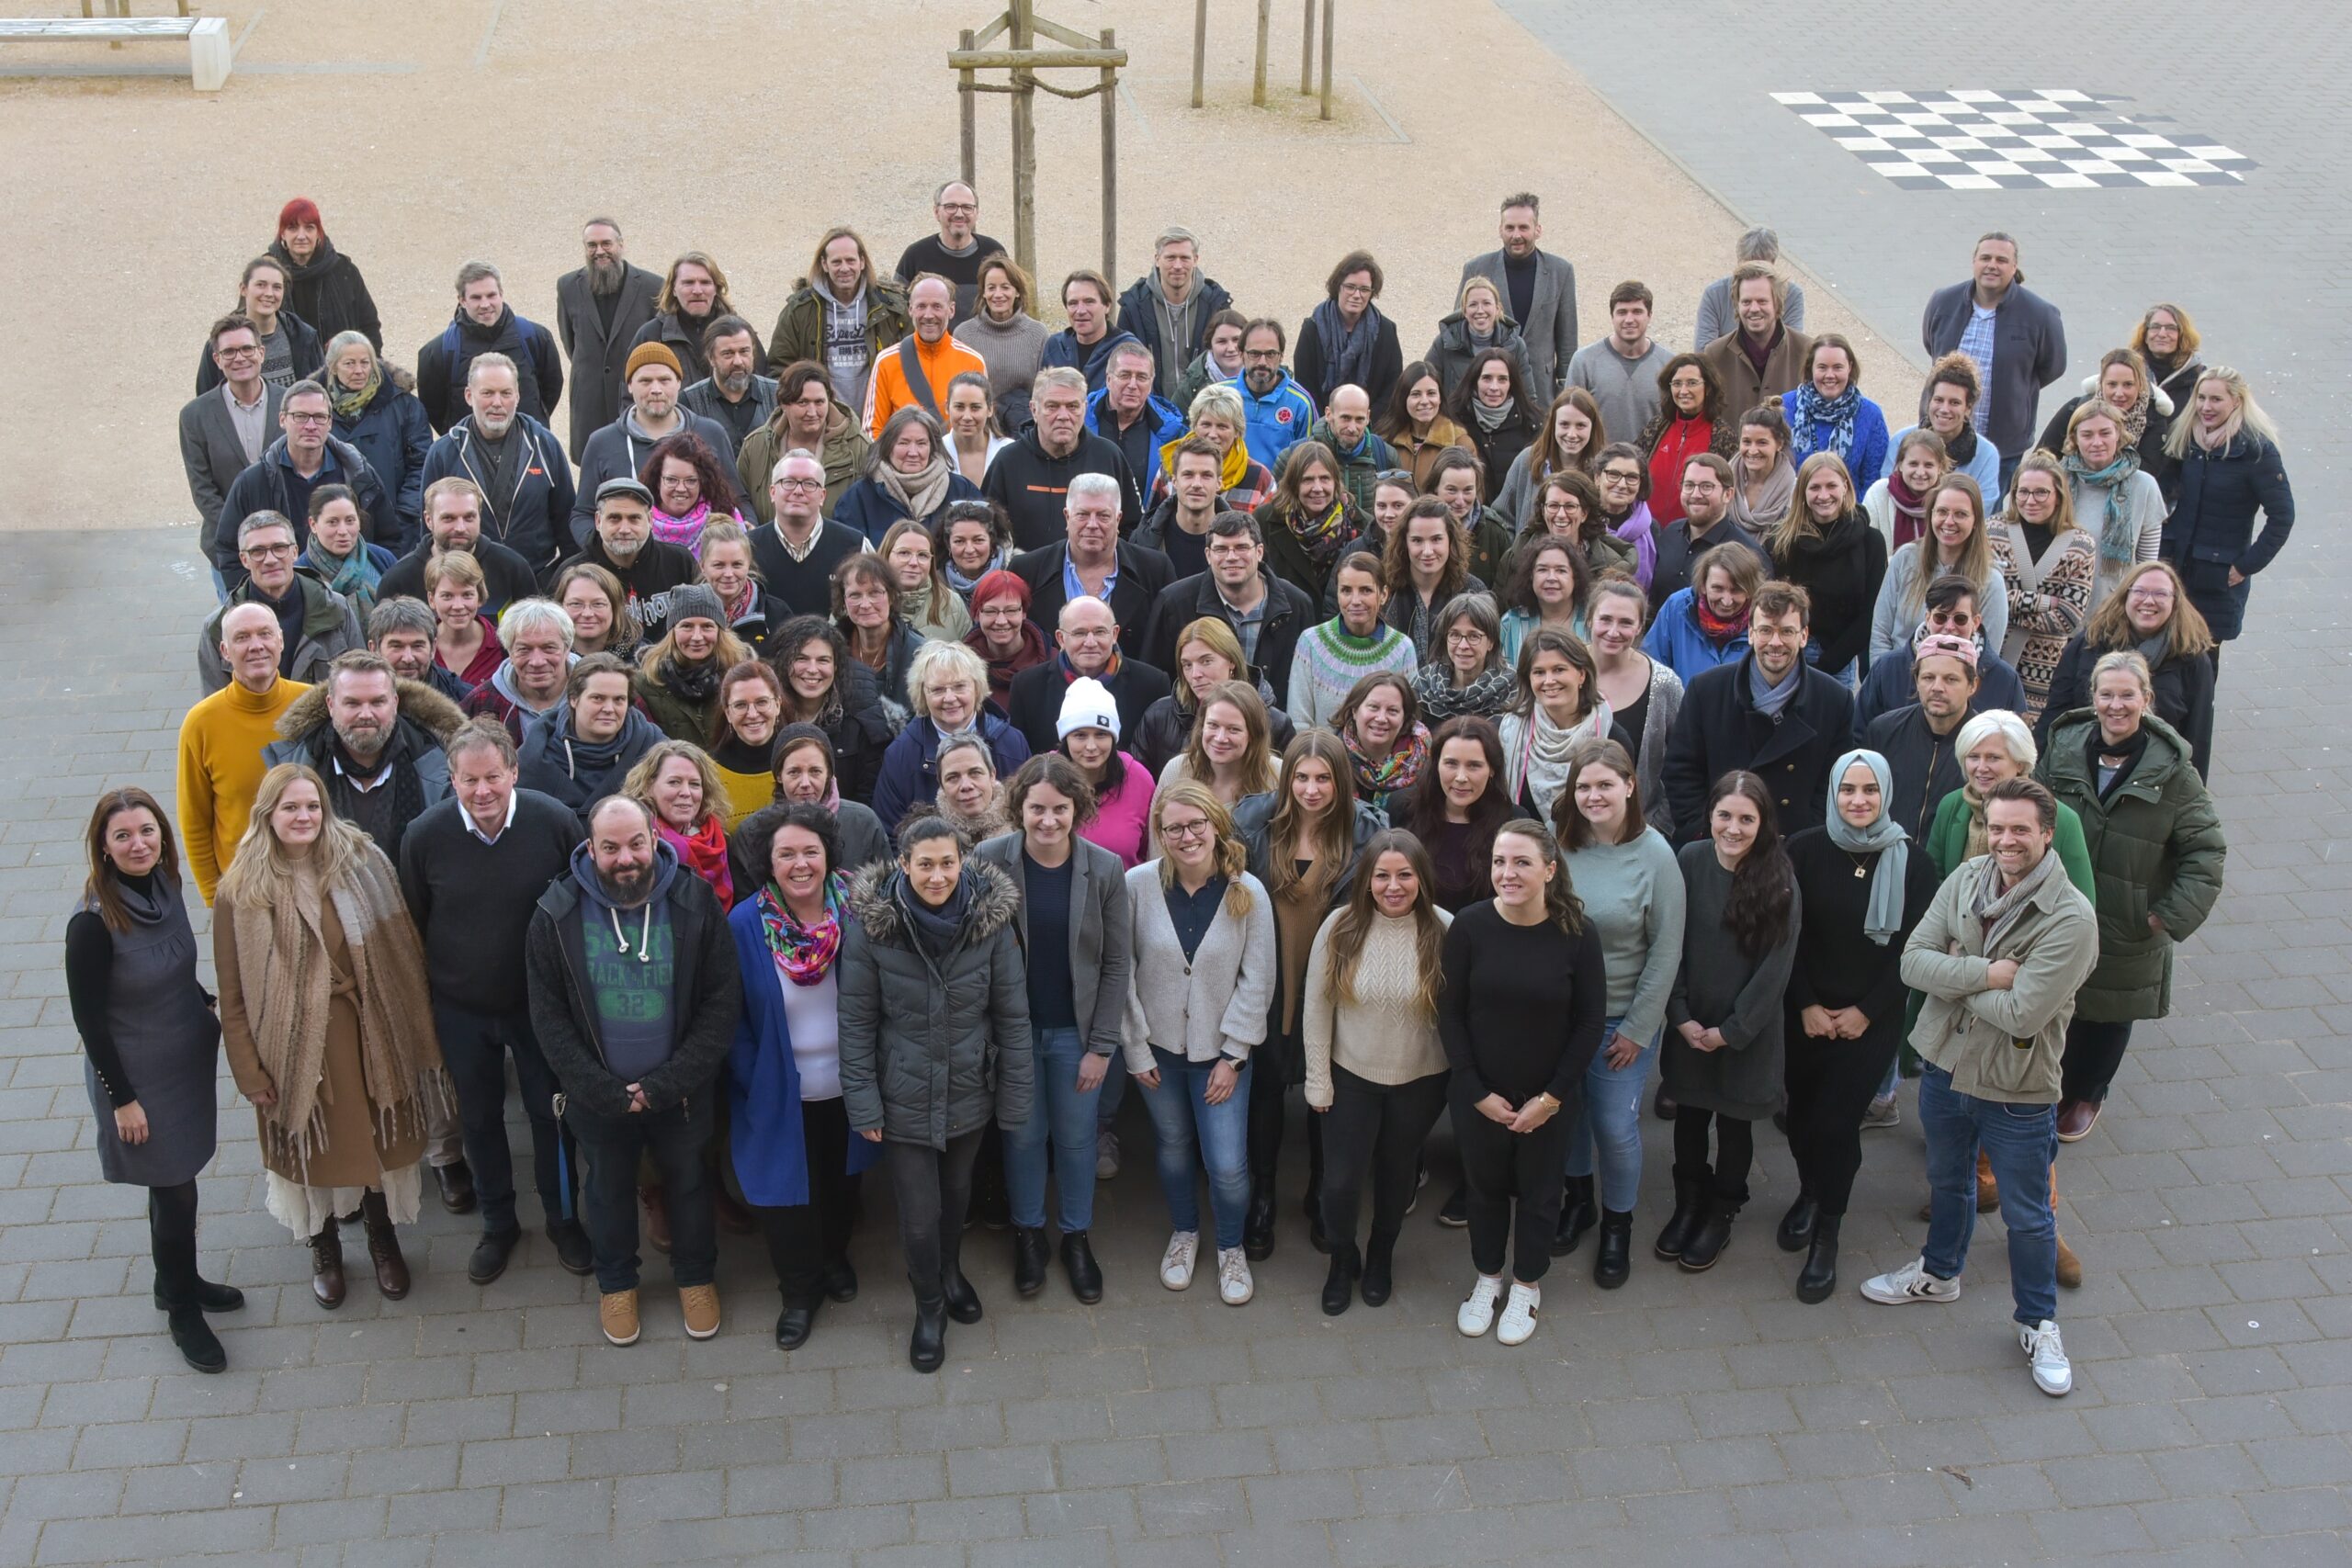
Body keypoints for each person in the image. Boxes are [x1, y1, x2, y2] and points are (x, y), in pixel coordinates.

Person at [1871, 777, 2098, 1398]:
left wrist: (1954, 976)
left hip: (2016, 1086)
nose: (2006, 839)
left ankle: (2038, 1322)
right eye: (1998, 827)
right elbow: (1911, 962)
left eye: (2020, 829)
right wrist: (1988, 973)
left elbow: (2025, 1014)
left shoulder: (2072, 918)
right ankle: (1940, 1272)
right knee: (1949, 1180)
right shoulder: (1969, 876)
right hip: (1946, 1068)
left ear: (2048, 833)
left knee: (2028, 1217)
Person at [216, 762, 447, 1308]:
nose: (304, 817)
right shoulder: (242, 889)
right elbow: (233, 995)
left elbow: (402, 951)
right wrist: (250, 1072)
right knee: (313, 1147)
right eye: (290, 808)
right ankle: (322, 1244)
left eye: (313, 805)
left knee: (373, 1138)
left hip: (368, 1031)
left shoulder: (362, 862)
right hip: (295, 1050)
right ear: (268, 815)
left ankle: (381, 1236)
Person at [526, 795, 740, 1348]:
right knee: (608, 1189)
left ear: (655, 839)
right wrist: (602, 1090)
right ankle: (616, 1283)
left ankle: (695, 1277)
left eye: (637, 843)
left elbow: (721, 1001)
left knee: (690, 1184)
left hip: (683, 1093)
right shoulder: (556, 911)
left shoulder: (694, 901)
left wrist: (668, 1083)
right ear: (590, 848)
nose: (626, 858)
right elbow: (547, 1015)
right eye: (611, 847)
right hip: (599, 1097)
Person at [398, 720, 593, 1283]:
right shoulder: (425, 835)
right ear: (452, 780)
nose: (482, 791)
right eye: (468, 780)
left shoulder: (553, 821)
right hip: (462, 1006)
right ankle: (499, 1224)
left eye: (493, 778)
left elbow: (577, 902)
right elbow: (416, 918)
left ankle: (562, 1219)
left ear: (513, 772)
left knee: (549, 1114)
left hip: (539, 1004)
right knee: (479, 1119)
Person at [837, 809, 1031, 1371]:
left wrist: (1015, 1098)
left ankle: (950, 1272)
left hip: (970, 1085)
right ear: (904, 865)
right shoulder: (872, 928)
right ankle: (928, 1308)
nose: (938, 876)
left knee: (956, 1197)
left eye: (948, 863)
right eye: (926, 865)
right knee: (918, 1213)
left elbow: (1012, 1016)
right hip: (902, 1091)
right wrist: (864, 1102)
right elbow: (855, 1022)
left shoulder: (990, 923)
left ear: (964, 862)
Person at [68, 790, 238, 1371]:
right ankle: (182, 1311)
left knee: (179, 1179)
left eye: (147, 831)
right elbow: (89, 1021)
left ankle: (179, 1281)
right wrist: (124, 1101)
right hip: (138, 1078)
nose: (138, 843)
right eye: (123, 836)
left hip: (182, 1060)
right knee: (174, 1191)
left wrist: (201, 1000)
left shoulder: (167, 886)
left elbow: (172, 961)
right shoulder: (91, 925)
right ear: (103, 848)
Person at [2037, 651, 2226, 1142]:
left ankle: (2087, 1093)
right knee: (2061, 1002)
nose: (2116, 705)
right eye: (2107, 694)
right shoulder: (2063, 746)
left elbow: (2206, 851)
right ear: (2093, 697)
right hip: (2061, 908)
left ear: (2146, 700)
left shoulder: (2174, 772)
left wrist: (2166, 917)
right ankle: (2050, 1086)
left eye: (2127, 695)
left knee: (2110, 1013)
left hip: (2130, 920)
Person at [1778, 750, 1939, 1300]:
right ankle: (1809, 1192)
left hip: (1872, 1017)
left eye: (1870, 790)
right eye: (1848, 789)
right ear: (1833, 793)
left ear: (1886, 793)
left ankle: (1828, 1232)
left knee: (1836, 1125)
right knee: (1799, 1120)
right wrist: (1804, 1004)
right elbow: (1785, 939)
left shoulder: (1914, 864)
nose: (1859, 800)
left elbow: (1916, 951)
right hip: (1806, 1013)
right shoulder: (1802, 850)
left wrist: (1865, 1011)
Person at [967, 756, 1127, 1300]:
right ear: (1019, 809)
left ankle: (1076, 1237)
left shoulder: (1104, 869)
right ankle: (1029, 1233)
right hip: (1014, 1035)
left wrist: (1102, 1047)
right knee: (1023, 1137)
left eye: (1060, 809)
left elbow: (1115, 963)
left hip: (1075, 1036)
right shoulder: (989, 860)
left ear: (1077, 809)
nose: (1048, 820)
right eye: (1036, 808)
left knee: (1078, 1140)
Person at [1440, 820, 1606, 1345]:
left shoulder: (1578, 934)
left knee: (1539, 1195)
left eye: (1521, 863)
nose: (1506, 873)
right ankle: (1488, 1279)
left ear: (1550, 871)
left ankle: (1527, 1286)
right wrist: (1474, 1091)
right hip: (1479, 1095)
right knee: (1484, 1191)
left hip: (1548, 1098)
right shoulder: (1468, 927)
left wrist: (1551, 1099)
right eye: (1499, 862)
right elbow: (1450, 1015)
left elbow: (1589, 1024)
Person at [724, 802, 882, 1348]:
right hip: (777, 1090)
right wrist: (755, 1078)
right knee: (786, 1198)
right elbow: (730, 1015)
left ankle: (835, 1259)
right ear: (768, 863)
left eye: (810, 851)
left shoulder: (858, 912)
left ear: (828, 855)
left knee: (840, 1186)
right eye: (786, 853)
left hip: (850, 1085)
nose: (799, 864)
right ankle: (798, 1291)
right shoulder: (744, 924)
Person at [1232, 730, 1384, 1258]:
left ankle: (1320, 1192)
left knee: (1327, 1090)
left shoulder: (1368, 833)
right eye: (1301, 777)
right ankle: (1264, 1196)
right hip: (1269, 978)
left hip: (1332, 983)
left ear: (1341, 780)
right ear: (1286, 777)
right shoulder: (1252, 824)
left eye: (1323, 778)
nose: (1312, 789)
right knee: (1267, 1088)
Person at [1125, 784, 1276, 1304]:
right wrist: (1136, 1050)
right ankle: (1185, 1232)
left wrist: (1234, 1056)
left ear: (1215, 825)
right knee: (1172, 1148)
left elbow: (1258, 980)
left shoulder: (1248, 892)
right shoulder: (1137, 886)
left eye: (1196, 825)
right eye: (1173, 828)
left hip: (1222, 1058)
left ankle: (1230, 1247)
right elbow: (1120, 974)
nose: (1186, 836)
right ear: (1159, 834)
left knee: (1228, 1165)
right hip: (1159, 1054)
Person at [1654, 772, 1799, 1273]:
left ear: (1763, 823)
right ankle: (1688, 1203)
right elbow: (1668, 941)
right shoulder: (1690, 861)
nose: (1733, 828)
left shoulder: (1778, 877)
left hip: (1746, 1035)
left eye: (1746, 819)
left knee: (1735, 1128)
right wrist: (1681, 1016)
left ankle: (1721, 1212)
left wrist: (1733, 1031)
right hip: (1691, 1024)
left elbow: (1775, 968)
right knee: (1689, 1122)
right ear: (1710, 815)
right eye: (1724, 815)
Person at [1301, 828, 1452, 1314]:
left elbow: (1461, 1012)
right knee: (1340, 1181)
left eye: (1405, 875)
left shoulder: (1444, 929)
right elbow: (1316, 1007)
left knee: (1396, 1176)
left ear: (1421, 878)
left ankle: (1382, 1252)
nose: (1394, 886)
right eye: (1382, 875)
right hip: (1351, 1075)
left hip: (1421, 1078)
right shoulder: (1340, 927)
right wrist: (1317, 1077)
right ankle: (1342, 1257)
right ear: (1366, 879)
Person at [1553, 741, 1684, 1285]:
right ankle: (1579, 1201)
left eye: (1605, 784)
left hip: (1621, 1020)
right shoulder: (1560, 846)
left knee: (1615, 1125)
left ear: (1630, 786)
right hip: (1563, 1016)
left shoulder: (1656, 856)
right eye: (1583, 786)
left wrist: (1638, 1028)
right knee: (1570, 1115)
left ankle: (1617, 1227)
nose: (1593, 795)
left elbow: (1667, 950)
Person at [1662, 582, 1859, 844]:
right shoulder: (1706, 690)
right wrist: (1707, 833)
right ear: (1751, 633)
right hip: (1721, 846)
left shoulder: (1835, 700)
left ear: (1803, 636)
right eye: (1766, 630)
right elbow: (1680, 771)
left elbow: (1834, 784)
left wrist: (1807, 842)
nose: (1775, 643)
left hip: (1795, 854)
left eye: (1787, 631)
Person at [2161, 366, 2294, 660]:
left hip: (2216, 577)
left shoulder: (2257, 451)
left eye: (2216, 400)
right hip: (2173, 568)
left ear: (2237, 401)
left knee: (2202, 665)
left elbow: (2282, 516)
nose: (2206, 407)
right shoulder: (2185, 439)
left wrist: (2246, 566)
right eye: (2201, 398)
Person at [2039, 561, 2217, 779]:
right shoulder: (2090, 642)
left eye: (2160, 594)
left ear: (2175, 602)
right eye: (2140, 591)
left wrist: (2191, 791)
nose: (2149, 601)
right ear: (2125, 595)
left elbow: (2197, 736)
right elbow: (2056, 713)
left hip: (2154, 776)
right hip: (2081, 768)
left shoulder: (2192, 659)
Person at [1920, 231, 2067, 491]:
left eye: (2001, 260)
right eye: (1985, 257)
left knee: (1989, 516)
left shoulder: (2040, 314)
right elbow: (1932, 347)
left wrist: (2016, 388)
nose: (1992, 265)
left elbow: (2053, 366)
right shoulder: (1943, 301)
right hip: (1941, 434)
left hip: (2003, 444)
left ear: (2014, 267)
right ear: (1974, 261)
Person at [214, 380, 397, 585]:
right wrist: (254, 601)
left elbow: (390, 535)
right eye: (300, 417)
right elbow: (229, 548)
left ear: (330, 423)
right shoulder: (254, 481)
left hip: (357, 592)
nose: (310, 426)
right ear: (282, 419)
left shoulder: (358, 472)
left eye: (319, 417)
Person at [417, 356, 577, 582]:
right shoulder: (444, 452)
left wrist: (565, 580)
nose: (497, 403)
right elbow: (427, 532)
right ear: (468, 396)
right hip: (466, 583)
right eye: (487, 393)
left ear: (518, 396)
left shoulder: (544, 445)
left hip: (537, 578)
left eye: (506, 393)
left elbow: (567, 521)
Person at [1144, 511, 1316, 707]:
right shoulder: (1175, 603)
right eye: (1221, 549)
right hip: (1198, 730)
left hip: (1275, 729)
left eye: (1241, 547)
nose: (1231, 557)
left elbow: (1306, 683)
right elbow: (1157, 680)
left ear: (1259, 552)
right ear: (1208, 555)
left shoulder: (1296, 605)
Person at [571, 344, 739, 541]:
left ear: (678, 382)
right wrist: (601, 550)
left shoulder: (711, 433)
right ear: (630, 385)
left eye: (664, 380)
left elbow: (737, 500)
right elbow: (582, 514)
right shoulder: (602, 442)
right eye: (645, 381)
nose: (656, 389)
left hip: (702, 562)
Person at [198, 512, 367, 695]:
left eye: (279, 548)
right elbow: (216, 703)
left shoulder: (336, 609)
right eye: (257, 551)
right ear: (244, 559)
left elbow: (360, 684)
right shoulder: (217, 626)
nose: (270, 560)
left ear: (294, 552)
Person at [870, 640, 1030, 831]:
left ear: (977, 687)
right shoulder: (901, 754)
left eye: (959, 686)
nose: (950, 698)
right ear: (922, 694)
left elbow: (1027, 815)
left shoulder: (1011, 743)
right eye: (937, 690)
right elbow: (890, 832)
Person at [1007, 471, 1171, 655]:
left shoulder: (1155, 570)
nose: (1092, 524)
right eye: (1083, 515)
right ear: (1067, 517)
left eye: (1103, 516)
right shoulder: (1026, 570)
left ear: (1118, 519)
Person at [980, 367, 1141, 549]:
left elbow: (1133, 528)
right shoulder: (1008, 461)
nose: (1063, 416)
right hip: (1026, 575)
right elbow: (986, 530)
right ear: (1034, 410)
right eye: (1052, 406)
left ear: (1085, 409)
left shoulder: (1109, 457)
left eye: (1072, 406)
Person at [183, 314, 288, 581]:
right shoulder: (195, 416)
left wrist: (280, 533)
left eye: (246, 349)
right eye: (229, 351)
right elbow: (203, 490)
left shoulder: (290, 404)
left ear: (261, 353)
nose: (239, 358)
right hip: (228, 550)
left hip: (287, 547)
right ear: (217, 359)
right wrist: (242, 537)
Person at [1770, 453, 1887, 685]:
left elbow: (1871, 612)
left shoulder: (1870, 542)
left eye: (1831, 485)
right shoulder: (1781, 541)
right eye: (1815, 487)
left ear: (1845, 487)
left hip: (1838, 660)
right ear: (1802, 491)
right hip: (1788, 655)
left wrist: (1829, 663)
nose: (1824, 496)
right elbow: (1772, 605)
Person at [1006, 594, 1171, 757]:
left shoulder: (1152, 685)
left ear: (1114, 634)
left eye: (1100, 632)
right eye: (1079, 633)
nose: (1090, 642)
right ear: (1061, 638)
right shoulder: (1027, 686)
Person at [767, 226, 912, 411]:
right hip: (821, 421)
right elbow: (779, 367)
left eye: (850, 260)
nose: (844, 268)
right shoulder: (799, 310)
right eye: (836, 262)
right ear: (824, 264)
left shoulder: (892, 307)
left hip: (881, 418)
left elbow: (912, 361)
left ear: (861, 262)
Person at [555, 218, 664, 461]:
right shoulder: (567, 286)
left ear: (621, 245)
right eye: (591, 245)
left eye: (606, 243)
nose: (599, 251)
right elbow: (571, 344)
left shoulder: (652, 286)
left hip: (635, 400)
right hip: (589, 402)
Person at [1136, 615, 1297, 778]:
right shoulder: (1158, 716)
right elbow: (1137, 784)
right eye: (1187, 665)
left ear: (1232, 661)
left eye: (1206, 661)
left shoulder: (1275, 723)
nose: (1195, 674)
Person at [1858, 576, 2030, 730]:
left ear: (1976, 622)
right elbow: (1859, 732)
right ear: (1927, 618)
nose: (1949, 627)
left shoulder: (2004, 679)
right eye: (1940, 617)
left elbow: (2018, 746)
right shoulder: (1888, 668)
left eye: (1960, 619)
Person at [416, 261, 561, 434]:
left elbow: (551, 388)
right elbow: (434, 408)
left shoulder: (535, 337)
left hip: (529, 447)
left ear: (501, 294)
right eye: (476, 297)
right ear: (462, 300)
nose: (485, 304)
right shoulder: (438, 352)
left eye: (491, 295)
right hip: (469, 453)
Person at [2052, 400, 2165, 619]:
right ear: (2074, 439)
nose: (2097, 442)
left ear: (2118, 435)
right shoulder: (2056, 480)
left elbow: (2147, 564)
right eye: (2087, 435)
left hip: (2115, 610)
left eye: (2105, 433)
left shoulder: (2144, 485)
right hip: (2059, 607)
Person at [1497, 626, 1628, 815]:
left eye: (1558, 670)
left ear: (1581, 675)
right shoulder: (1507, 732)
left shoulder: (1613, 737)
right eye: (1539, 672)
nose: (1549, 680)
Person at [1588, 579, 1685, 831]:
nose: (1613, 631)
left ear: (1640, 627)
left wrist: (1658, 824)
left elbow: (1684, 761)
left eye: (1626, 623)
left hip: (1639, 829)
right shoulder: (1562, 672)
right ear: (1589, 619)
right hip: (1570, 829)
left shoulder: (1664, 684)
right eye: (1605, 619)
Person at [773, 615, 899, 807]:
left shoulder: (859, 723)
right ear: (785, 663)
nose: (812, 669)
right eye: (801, 659)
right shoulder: (768, 718)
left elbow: (868, 797)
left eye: (823, 660)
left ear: (836, 666)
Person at [1459, 193, 1578, 393]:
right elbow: (1459, 329)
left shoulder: (1561, 271)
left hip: (1541, 389)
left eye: (1524, 227)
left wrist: (1564, 389)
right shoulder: (1476, 269)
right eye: (1510, 228)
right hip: (1488, 388)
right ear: (1500, 230)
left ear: (1537, 230)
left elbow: (1567, 339)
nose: (1516, 235)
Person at [515, 652, 661, 815]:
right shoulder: (536, 756)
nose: (609, 709)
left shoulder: (653, 749)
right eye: (598, 698)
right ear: (573, 699)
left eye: (619, 699)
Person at [562, 476, 705, 641]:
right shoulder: (572, 573)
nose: (624, 529)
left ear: (650, 520)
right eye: (614, 518)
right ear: (598, 520)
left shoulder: (679, 561)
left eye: (634, 519)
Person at [324, 333, 432, 547]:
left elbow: (422, 462)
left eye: (365, 363)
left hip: (396, 525)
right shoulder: (316, 408)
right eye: (349, 363)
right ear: (333, 367)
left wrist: (405, 513)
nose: (359, 370)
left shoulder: (404, 405)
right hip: (336, 527)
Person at [379, 476, 543, 616]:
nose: (460, 528)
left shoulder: (512, 568)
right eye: (449, 518)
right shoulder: (398, 580)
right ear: (428, 520)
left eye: (469, 517)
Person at [1288, 551, 1415, 731]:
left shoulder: (1403, 649)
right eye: (1346, 590)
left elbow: (1409, 723)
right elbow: (1300, 722)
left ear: (1384, 594)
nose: (1355, 601)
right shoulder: (1311, 642)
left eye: (1366, 590)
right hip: (1324, 757)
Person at [1396, 716, 1511, 912]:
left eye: (1474, 765)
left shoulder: (1512, 821)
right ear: (1436, 764)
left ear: (1492, 769)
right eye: (1451, 763)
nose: (1461, 777)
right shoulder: (1402, 808)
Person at [740, 363, 873, 523]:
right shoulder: (755, 446)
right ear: (783, 404)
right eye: (802, 402)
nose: (812, 412)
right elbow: (740, 500)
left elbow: (871, 510)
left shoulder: (858, 447)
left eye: (819, 402)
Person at [862, 276, 988, 441]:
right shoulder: (886, 361)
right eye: (921, 306)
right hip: (902, 462)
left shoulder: (972, 361)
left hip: (955, 463)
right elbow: (872, 431)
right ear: (910, 309)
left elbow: (982, 426)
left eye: (937, 306)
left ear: (951, 310)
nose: (928, 315)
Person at [1117, 226, 1233, 403]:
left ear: (1195, 260)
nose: (1177, 266)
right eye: (1170, 258)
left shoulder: (1216, 305)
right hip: (1148, 412)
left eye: (1185, 258)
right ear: (1157, 259)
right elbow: (1122, 362)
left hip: (1206, 412)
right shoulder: (1134, 307)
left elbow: (1232, 362)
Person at [1646, 452, 1769, 606]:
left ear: (1728, 494)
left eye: (1706, 487)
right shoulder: (1670, 533)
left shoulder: (1749, 553)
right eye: (1689, 485)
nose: (1696, 494)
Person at [624, 740, 735, 909]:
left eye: (694, 784)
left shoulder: (716, 837)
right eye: (674, 782)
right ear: (648, 787)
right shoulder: (634, 842)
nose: (686, 792)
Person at [1780, 333, 1889, 502]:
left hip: (1850, 517)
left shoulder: (1871, 415)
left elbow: (1871, 483)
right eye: (1822, 367)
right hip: (1794, 512)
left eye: (1837, 367)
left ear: (1850, 367)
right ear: (1811, 368)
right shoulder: (1785, 407)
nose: (1830, 375)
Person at [194, 254, 323, 395]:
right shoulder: (221, 344)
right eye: (261, 285)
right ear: (243, 289)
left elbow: (320, 393)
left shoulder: (304, 338)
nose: (269, 293)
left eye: (277, 287)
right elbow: (206, 400)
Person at [1880, 351, 2001, 495]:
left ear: (1968, 408)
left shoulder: (1986, 455)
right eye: (1938, 400)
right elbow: (1886, 493)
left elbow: (1982, 511)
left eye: (1954, 402)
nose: (1944, 409)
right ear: (1929, 400)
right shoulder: (1901, 441)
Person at [1294, 250, 1403, 408]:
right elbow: (1305, 384)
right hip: (1321, 424)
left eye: (1364, 289)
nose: (1357, 295)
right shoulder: (1312, 328)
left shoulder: (1386, 332)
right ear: (1338, 286)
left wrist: (1365, 424)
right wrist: (1330, 423)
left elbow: (1392, 387)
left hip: (1371, 427)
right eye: (1350, 287)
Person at [1644, 539, 1759, 688]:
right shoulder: (1677, 608)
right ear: (1703, 585)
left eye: (1736, 590)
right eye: (1718, 589)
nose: (1727, 601)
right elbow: (1652, 667)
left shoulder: (1761, 619)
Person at [1700, 264, 1814, 414]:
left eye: (1762, 301)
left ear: (1777, 303)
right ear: (1737, 305)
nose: (1754, 309)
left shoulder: (1806, 351)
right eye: (1746, 302)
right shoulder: (1715, 355)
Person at [1255, 441, 1359, 605]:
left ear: (1335, 482)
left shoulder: (1357, 524)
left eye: (1325, 479)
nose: (1317, 488)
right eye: (1308, 480)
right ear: (1294, 484)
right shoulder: (1265, 521)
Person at [268, 197, 380, 348]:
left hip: (340, 368)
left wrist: (356, 356)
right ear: (282, 234)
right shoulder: (266, 271)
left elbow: (370, 326)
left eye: (309, 228)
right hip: (283, 369)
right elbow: (246, 325)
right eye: (293, 228)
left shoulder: (343, 270)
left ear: (318, 233)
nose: (301, 236)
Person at [1566, 280, 1670, 442]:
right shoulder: (1584, 361)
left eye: (1637, 311)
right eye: (1622, 312)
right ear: (1612, 316)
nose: (1629, 319)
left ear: (1650, 315)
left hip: (1650, 464)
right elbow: (1570, 419)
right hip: (1599, 464)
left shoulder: (1668, 364)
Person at [1380, 499, 1482, 662]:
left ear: (1451, 540)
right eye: (1417, 540)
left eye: (1436, 539)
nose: (1427, 551)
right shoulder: (1387, 591)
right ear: (1404, 542)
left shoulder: (1473, 590)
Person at [1640, 353, 1735, 527]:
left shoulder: (1723, 436)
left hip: (1694, 534)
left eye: (1692, 383)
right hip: (1647, 531)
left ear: (1708, 388)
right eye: (1677, 384)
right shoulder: (1657, 427)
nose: (1683, 391)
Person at [960, 253, 1052, 433]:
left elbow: (1043, 391)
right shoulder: (964, 334)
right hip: (978, 431)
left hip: (1022, 429)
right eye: (991, 288)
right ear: (983, 292)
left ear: (1017, 291)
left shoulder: (1037, 333)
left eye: (1005, 287)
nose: (998, 294)